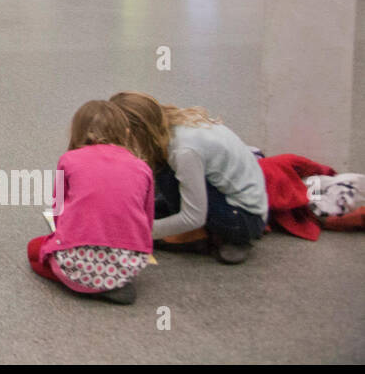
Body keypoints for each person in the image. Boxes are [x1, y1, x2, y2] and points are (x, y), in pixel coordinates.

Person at [110, 92, 269, 264]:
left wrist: (140, 233)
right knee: (147, 205)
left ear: (137, 131)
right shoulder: (172, 124)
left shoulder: (183, 151)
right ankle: (201, 233)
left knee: (164, 175)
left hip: (244, 220)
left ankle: (216, 237)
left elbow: (193, 217)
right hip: (235, 201)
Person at [26, 100, 154, 305]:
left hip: (76, 261)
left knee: (34, 249)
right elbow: (147, 218)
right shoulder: (143, 168)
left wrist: (57, 236)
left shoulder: (69, 159)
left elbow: (58, 209)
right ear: (126, 132)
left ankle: (84, 285)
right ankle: (115, 284)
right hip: (128, 263)